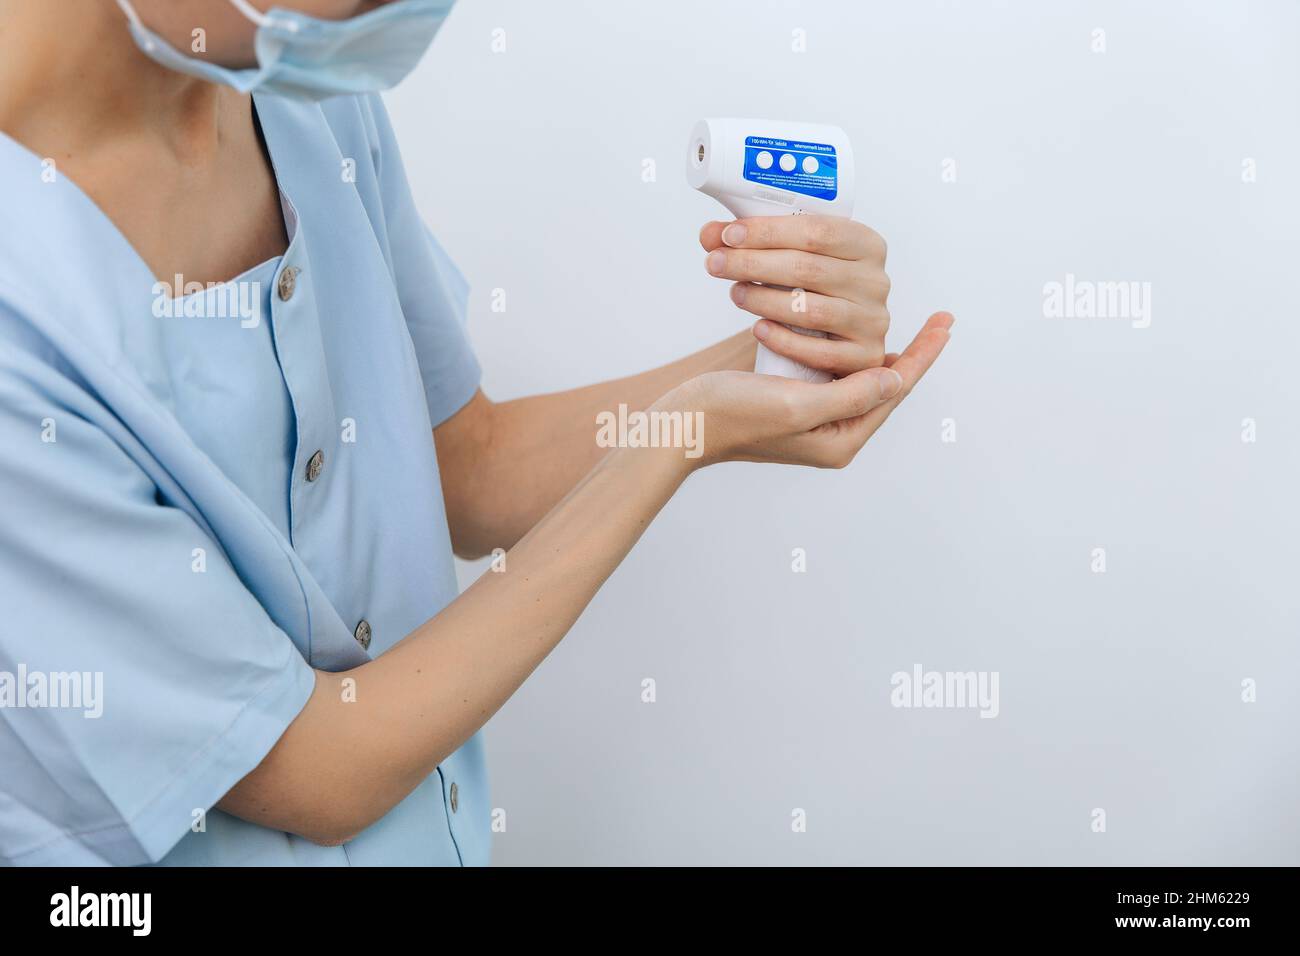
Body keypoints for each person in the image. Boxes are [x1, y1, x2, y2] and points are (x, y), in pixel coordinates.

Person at [0, 0, 952, 866]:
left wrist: (772, 359)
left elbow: (470, 465)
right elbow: (314, 770)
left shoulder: (293, 89)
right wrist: (680, 439)